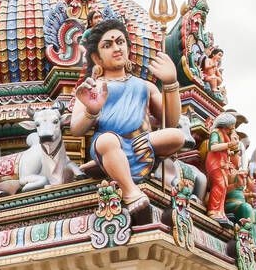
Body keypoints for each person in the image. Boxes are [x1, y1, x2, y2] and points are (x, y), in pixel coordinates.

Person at [68, 19, 184, 220]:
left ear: (128, 48)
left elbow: (170, 120)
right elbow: (76, 129)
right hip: (111, 142)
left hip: (142, 142)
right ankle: (132, 194)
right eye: (108, 45)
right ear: (96, 57)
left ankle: (115, 162)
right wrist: (92, 111)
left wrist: (171, 82)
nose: (116, 48)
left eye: (120, 42)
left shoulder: (144, 86)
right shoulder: (93, 87)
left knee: (177, 135)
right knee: (107, 140)